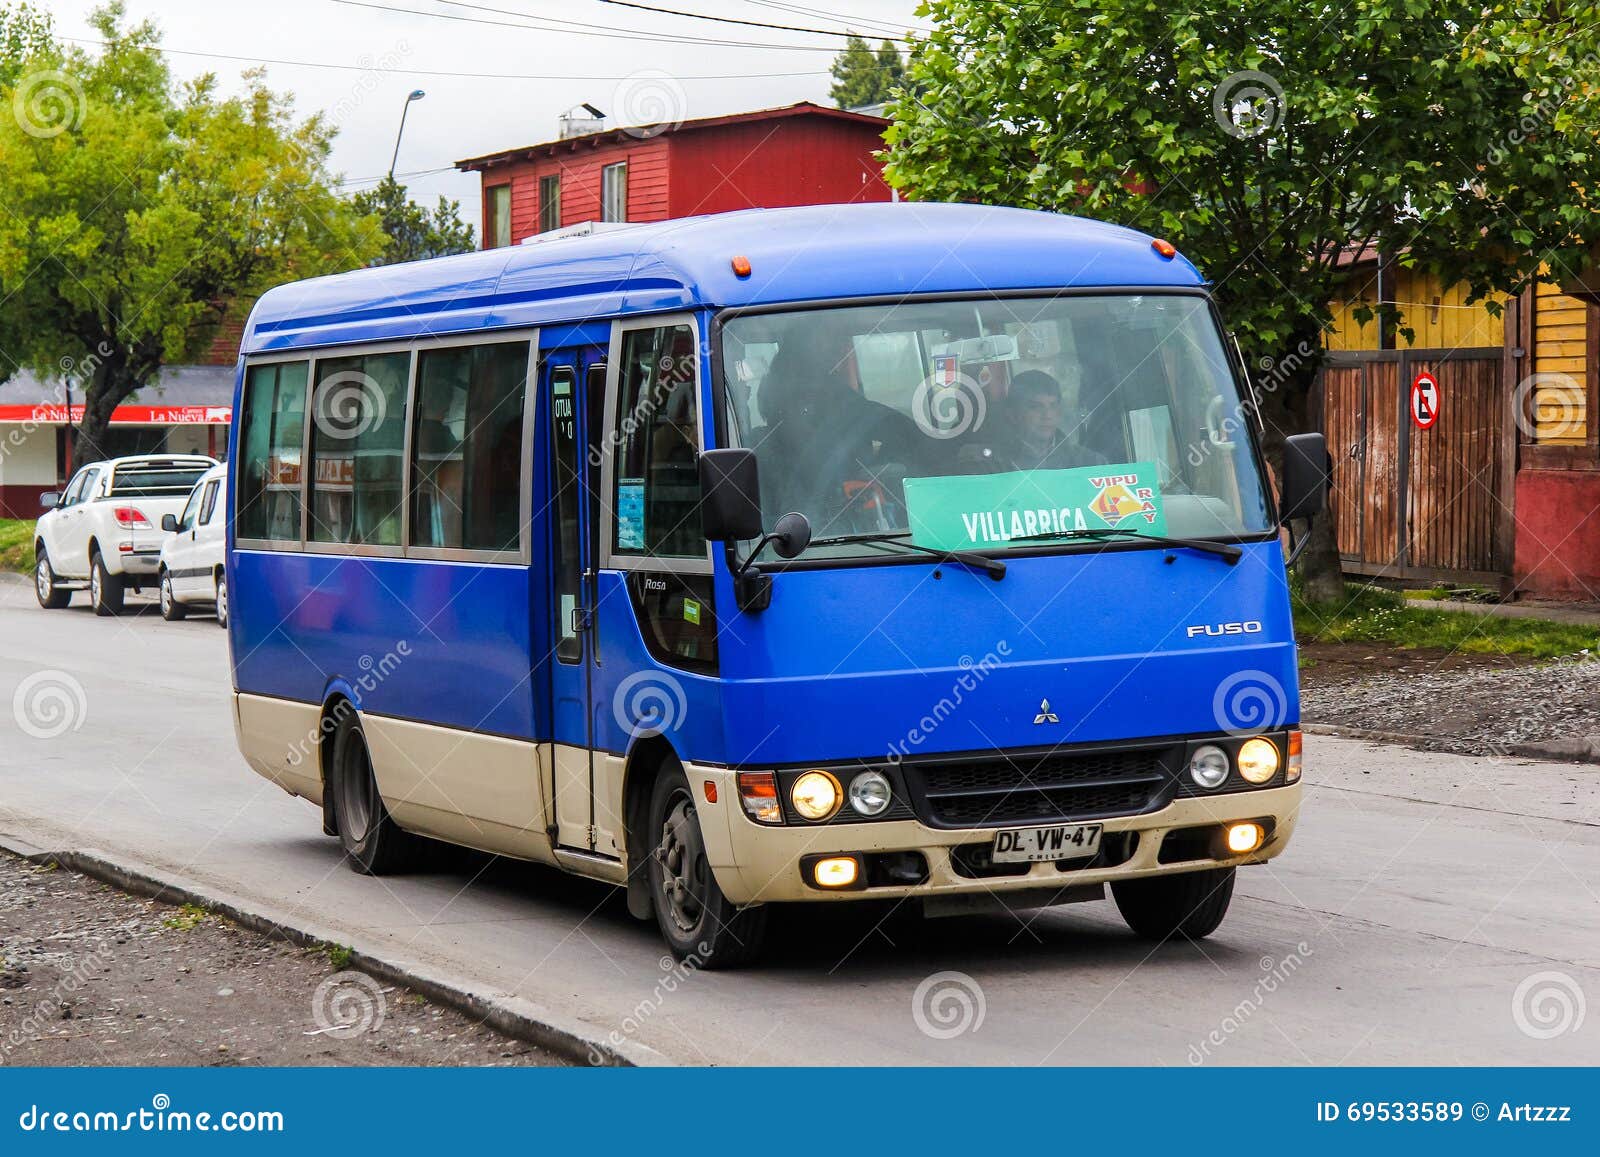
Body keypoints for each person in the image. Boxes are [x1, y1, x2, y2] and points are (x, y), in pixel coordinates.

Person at [990, 369, 1110, 472]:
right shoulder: (991, 464)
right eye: (1035, 407)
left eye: (1053, 405)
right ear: (1012, 414)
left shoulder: (1091, 463)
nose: (1047, 415)